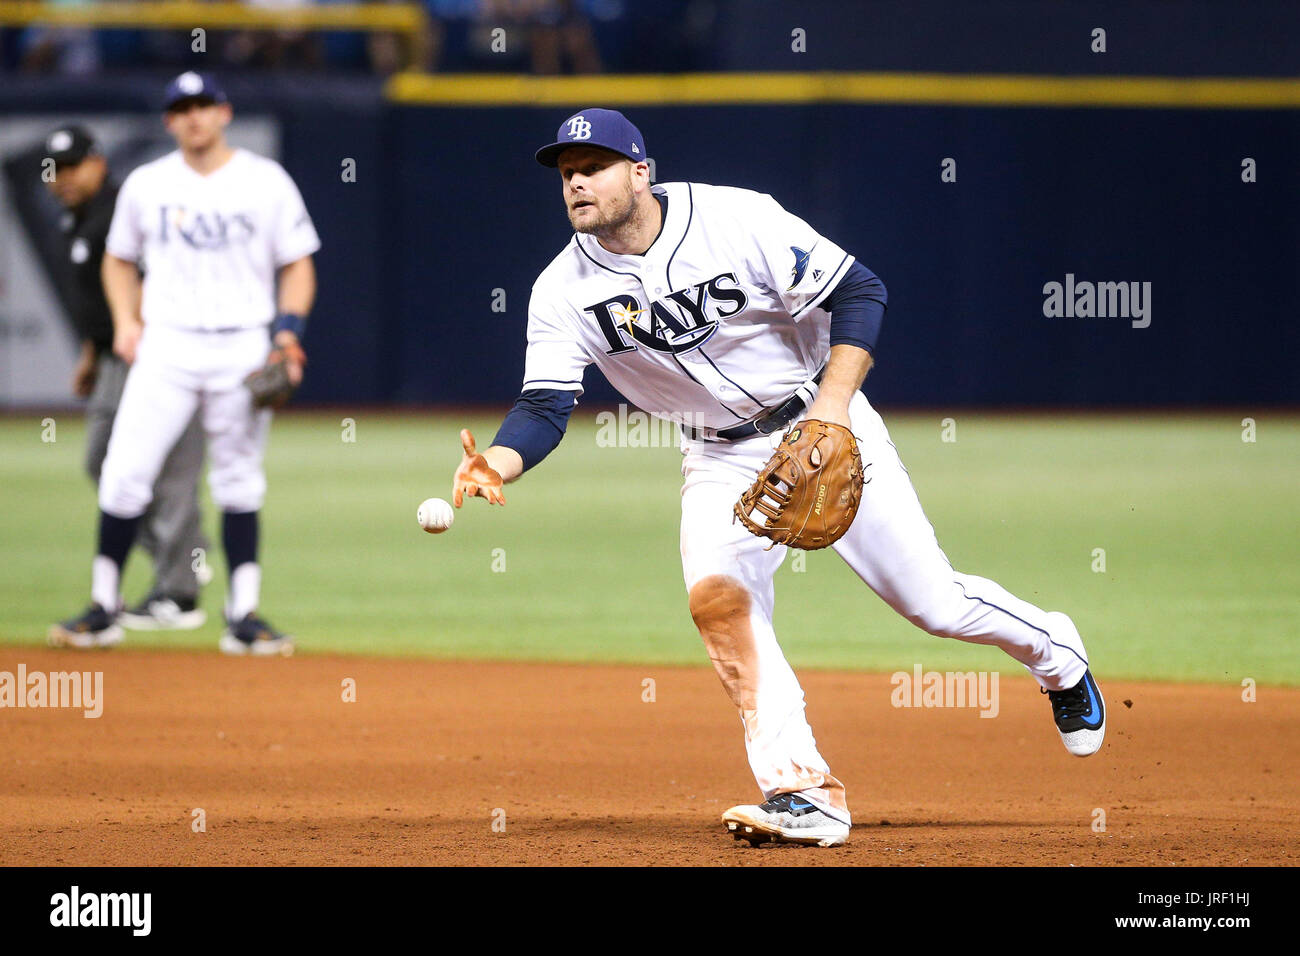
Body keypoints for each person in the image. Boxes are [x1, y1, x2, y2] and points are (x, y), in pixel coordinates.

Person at [451, 108, 1106, 848]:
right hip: (717, 456)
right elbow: (544, 404)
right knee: (718, 605)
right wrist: (497, 462)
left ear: (640, 172)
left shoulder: (735, 218)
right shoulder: (561, 289)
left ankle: (1056, 653)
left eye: (594, 167)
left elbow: (861, 290)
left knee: (935, 605)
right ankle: (803, 791)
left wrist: (831, 413)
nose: (577, 183)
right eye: (567, 174)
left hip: (822, 417)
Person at [48, 72, 321, 656]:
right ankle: (103, 609)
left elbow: (297, 263)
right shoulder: (147, 184)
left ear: (223, 113)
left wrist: (287, 335)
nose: (194, 116)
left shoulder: (265, 181)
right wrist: (125, 322)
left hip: (243, 342)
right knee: (123, 474)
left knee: (239, 479)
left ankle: (243, 615)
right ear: (170, 121)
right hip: (167, 344)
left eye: (203, 105)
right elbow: (118, 261)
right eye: (181, 108)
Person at [43, 124, 211, 632]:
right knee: (106, 464)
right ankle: (179, 567)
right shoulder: (78, 218)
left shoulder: (123, 208)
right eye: (55, 170)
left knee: (162, 470)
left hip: (154, 352)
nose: (63, 178)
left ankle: (181, 583)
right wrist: (91, 354)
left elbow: (150, 277)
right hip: (115, 356)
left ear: (98, 162)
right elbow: (98, 300)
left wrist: (144, 341)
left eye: (73, 166)